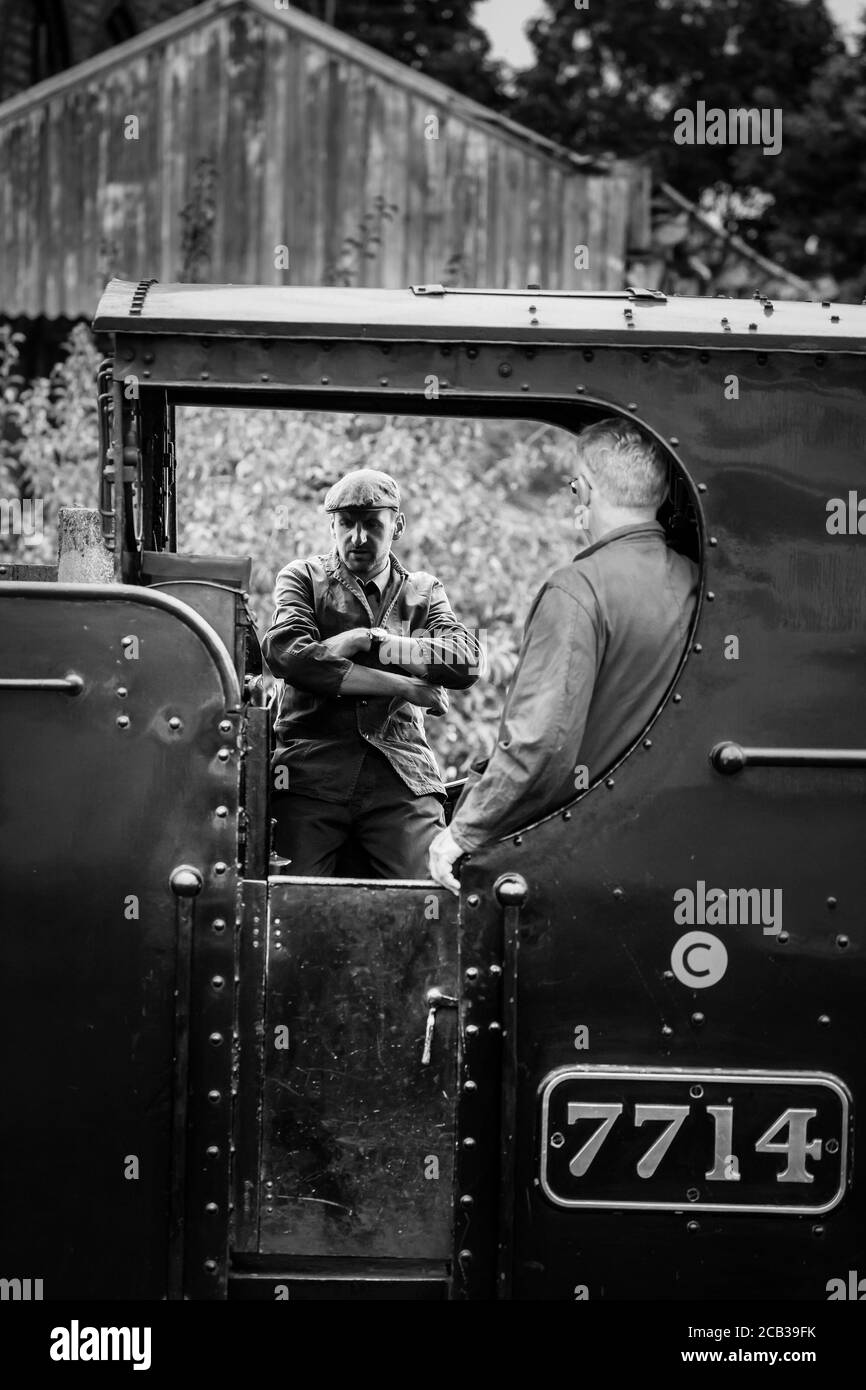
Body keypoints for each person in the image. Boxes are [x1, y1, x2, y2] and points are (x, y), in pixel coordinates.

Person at [428, 417, 700, 892]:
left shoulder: (576, 590)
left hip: (577, 857)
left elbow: (542, 743)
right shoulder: (697, 581)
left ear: (588, 492)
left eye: (575, 487)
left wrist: (462, 834)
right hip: (661, 842)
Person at [261, 467, 483, 878]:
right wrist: (405, 685)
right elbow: (289, 656)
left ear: (397, 525)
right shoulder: (303, 578)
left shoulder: (423, 590)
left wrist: (376, 642)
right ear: (332, 525)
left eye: (371, 525)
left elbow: (465, 660)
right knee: (287, 901)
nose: (357, 538)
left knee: (430, 891)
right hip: (310, 771)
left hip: (401, 774)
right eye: (346, 524)